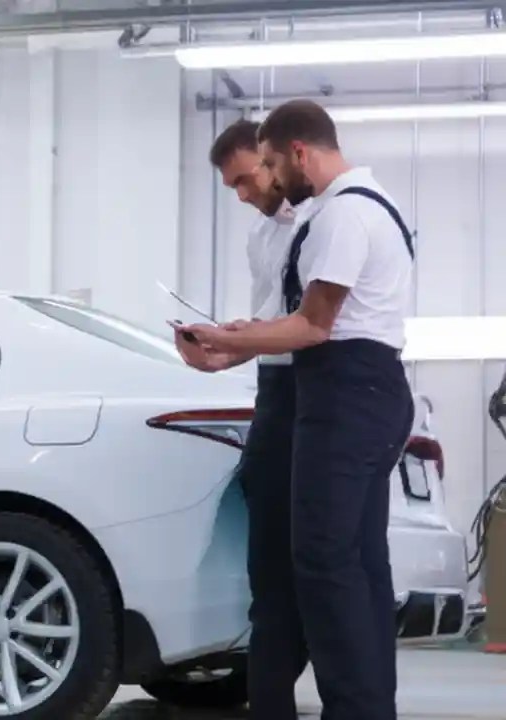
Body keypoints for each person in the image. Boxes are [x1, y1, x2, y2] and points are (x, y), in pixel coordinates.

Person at [182, 99, 414, 720]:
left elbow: (313, 325)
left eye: (268, 165)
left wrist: (228, 339)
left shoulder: (343, 214)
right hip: (354, 389)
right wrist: (233, 345)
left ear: (298, 153)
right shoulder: (357, 207)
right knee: (353, 562)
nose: (270, 180)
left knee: (326, 562)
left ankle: (355, 707)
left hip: (346, 391)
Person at [173, 118, 308, 720]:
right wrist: (219, 351)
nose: (244, 194)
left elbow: (312, 326)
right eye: (232, 187)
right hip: (275, 395)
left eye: (247, 179)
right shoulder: (260, 238)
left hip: (325, 393)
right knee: (269, 568)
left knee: (319, 567)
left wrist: (244, 340)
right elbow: (268, 329)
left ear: (276, 159)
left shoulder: (323, 221)